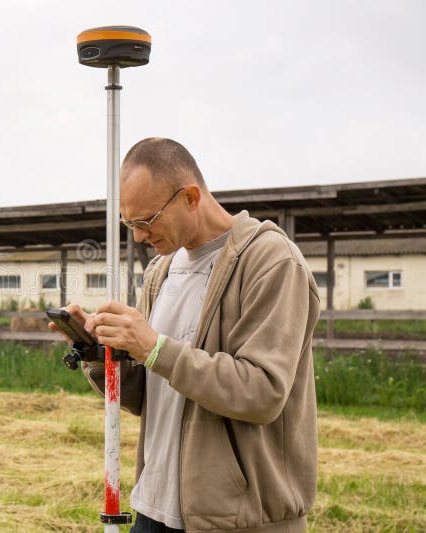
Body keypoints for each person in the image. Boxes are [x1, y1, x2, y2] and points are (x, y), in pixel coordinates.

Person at [53, 138, 319, 533]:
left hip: (232, 519)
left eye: (146, 221)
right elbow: (151, 395)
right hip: (153, 508)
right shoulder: (161, 272)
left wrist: (153, 347)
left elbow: (262, 392)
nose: (140, 237)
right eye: (130, 224)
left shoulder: (271, 261)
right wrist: (101, 351)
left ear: (191, 197)